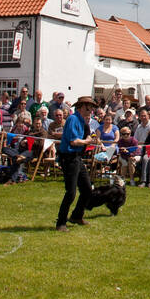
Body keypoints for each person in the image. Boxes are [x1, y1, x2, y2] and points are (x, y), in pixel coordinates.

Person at [56, 97, 98, 231]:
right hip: (69, 158)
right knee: (71, 192)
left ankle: (76, 216)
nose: (91, 110)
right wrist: (87, 142)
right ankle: (61, 223)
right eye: (88, 107)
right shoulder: (72, 119)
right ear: (80, 107)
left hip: (77, 158)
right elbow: (73, 142)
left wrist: (89, 139)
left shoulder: (83, 122)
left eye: (92, 107)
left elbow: (85, 138)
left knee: (87, 189)